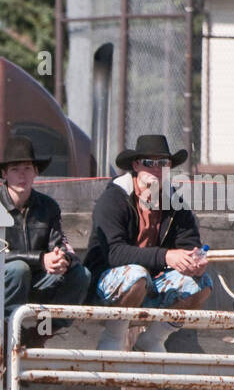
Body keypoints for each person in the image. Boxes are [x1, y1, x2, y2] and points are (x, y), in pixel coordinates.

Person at [83, 134, 212, 351]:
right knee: (136, 275)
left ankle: (154, 338)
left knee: (202, 283)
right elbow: (114, 253)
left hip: (154, 285)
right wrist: (166, 256)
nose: (156, 169)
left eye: (163, 163)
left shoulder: (175, 203)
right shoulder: (114, 199)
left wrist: (195, 262)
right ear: (135, 165)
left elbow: (190, 244)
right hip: (106, 286)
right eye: (149, 163)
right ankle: (113, 336)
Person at [0, 136, 91, 341]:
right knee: (19, 269)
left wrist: (62, 259)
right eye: (15, 169)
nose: (22, 175)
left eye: (27, 168)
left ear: (36, 172)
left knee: (81, 275)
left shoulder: (48, 206)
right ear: (4, 173)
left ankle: (40, 333)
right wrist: (40, 259)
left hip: (38, 281)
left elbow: (59, 244)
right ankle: (7, 335)